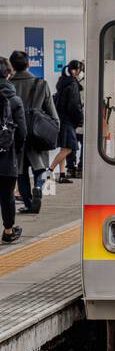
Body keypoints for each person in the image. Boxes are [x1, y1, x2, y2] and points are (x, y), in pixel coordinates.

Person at [9, 51, 57, 215]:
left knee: (21, 171)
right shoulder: (41, 83)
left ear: (12, 66)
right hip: (37, 132)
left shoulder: (8, 87)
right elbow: (52, 113)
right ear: (28, 64)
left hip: (16, 133)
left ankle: (29, 203)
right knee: (40, 167)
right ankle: (38, 186)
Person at [0, 70, 27, 244]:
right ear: (8, 75)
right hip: (6, 157)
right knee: (6, 194)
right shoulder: (14, 100)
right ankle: (8, 231)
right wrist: (14, 149)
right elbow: (22, 132)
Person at [52, 60, 84, 182]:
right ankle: (49, 171)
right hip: (68, 121)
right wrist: (80, 120)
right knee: (69, 148)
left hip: (60, 118)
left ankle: (62, 175)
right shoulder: (72, 84)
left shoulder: (63, 81)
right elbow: (74, 105)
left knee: (63, 148)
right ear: (76, 70)